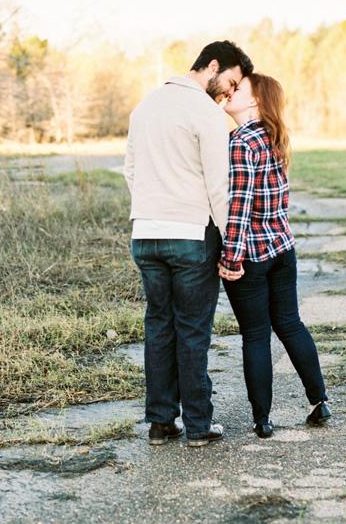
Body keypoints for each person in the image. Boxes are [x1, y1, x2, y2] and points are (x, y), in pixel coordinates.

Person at [124, 40, 253, 447]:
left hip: (145, 234)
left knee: (159, 326)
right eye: (230, 83)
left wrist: (152, 205)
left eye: (234, 90)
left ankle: (161, 423)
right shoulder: (206, 114)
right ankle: (199, 425)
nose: (229, 94)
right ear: (212, 65)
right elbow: (219, 187)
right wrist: (229, 241)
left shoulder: (145, 106)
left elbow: (129, 169)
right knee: (192, 331)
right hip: (191, 234)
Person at [212, 72, 331, 439]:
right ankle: (319, 402)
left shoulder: (242, 142)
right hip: (283, 249)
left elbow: (240, 207)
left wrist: (230, 259)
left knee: (256, 335)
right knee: (290, 323)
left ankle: (262, 420)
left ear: (256, 101)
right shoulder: (274, 137)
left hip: (252, 255)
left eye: (239, 89)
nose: (230, 92)